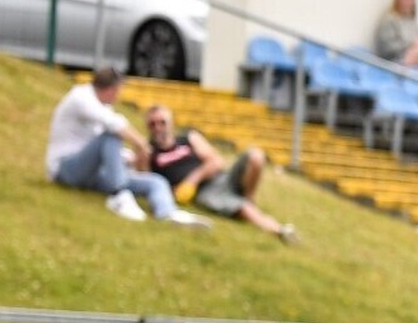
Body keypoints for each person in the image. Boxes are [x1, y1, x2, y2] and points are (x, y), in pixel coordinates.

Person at [45, 68, 205, 226]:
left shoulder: (102, 106)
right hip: (65, 170)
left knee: (156, 182)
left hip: (93, 173)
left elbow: (106, 148)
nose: (118, 95)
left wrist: (129, 158)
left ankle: (167, 213)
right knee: (111, 135)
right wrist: (141, 144)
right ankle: (118, 195)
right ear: (112, 89)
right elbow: (113, 124)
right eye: (119, 90)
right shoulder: (80, 97)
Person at [142, 105, 298, 243]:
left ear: (171, 123)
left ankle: (249, 198)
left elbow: (216, 161)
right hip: (205, 192)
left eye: (162, 122)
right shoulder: (149, 152)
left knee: (256, 156)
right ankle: (279, 231)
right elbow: (149, 182)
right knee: (243, 208)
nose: (157, 127)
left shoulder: (189, 138)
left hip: (221, 177)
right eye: (152, 124)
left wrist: (191, 180)